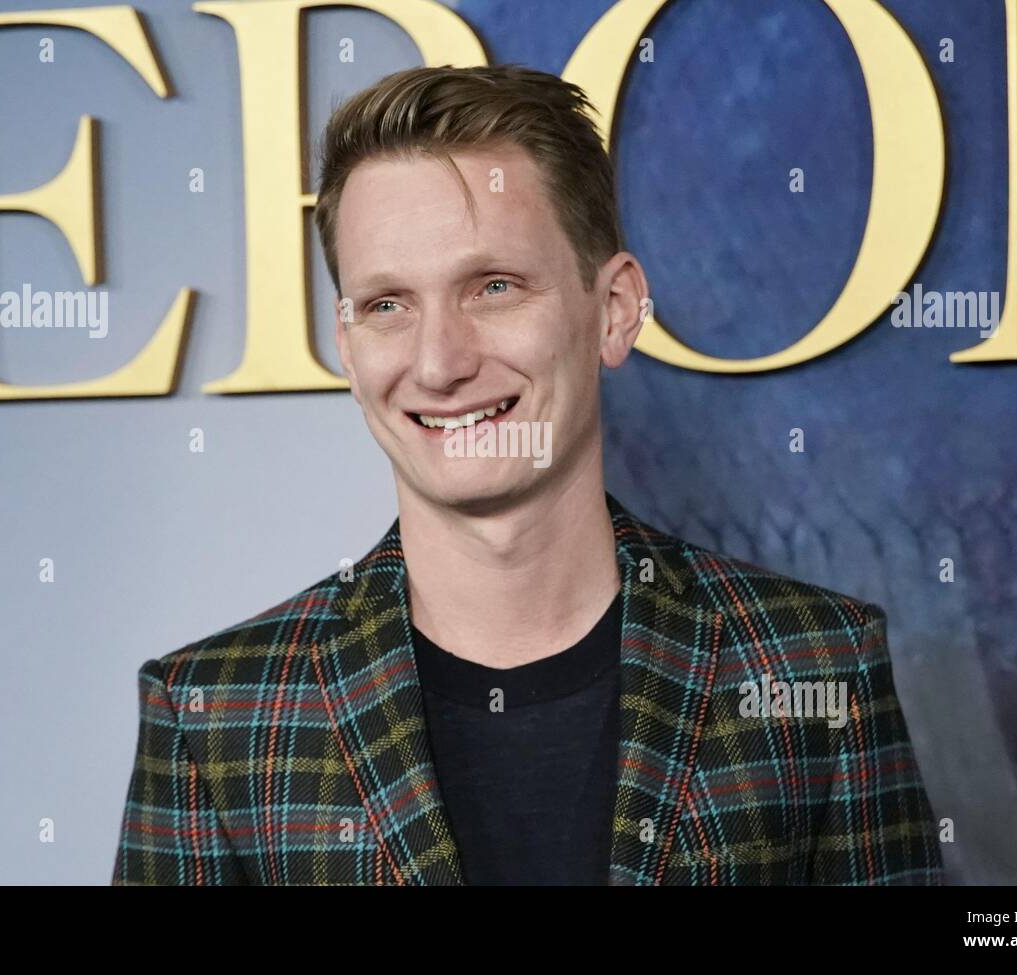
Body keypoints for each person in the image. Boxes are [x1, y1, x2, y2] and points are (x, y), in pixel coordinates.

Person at [111, 64, 943, 886]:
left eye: (494, 286)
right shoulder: (213, 716)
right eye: (388, 304)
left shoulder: (814, 669)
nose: (440, 363)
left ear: (614, 309)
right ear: (348, 345)